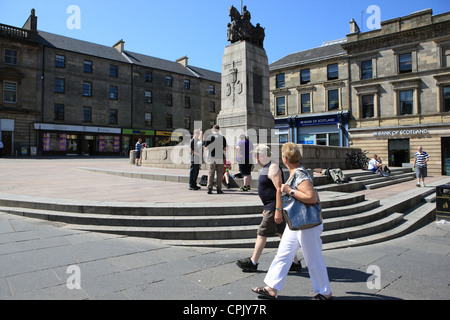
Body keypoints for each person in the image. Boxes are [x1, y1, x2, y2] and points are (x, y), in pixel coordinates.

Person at [252, 142, 332, 300]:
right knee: (283, 253)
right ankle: (272, 288)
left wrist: (290, 190)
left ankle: (325, 292)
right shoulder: (295, 172)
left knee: (313, 258)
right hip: (296, 222)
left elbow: (312, 198)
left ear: (285, 159)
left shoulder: (299, 174)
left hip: (306, 224)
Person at [236, 144, 301, 273]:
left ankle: (253, 262)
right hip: (271, 206)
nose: (255, 157)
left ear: (262, 155)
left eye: (256, 155)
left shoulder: (273, 167)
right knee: (283, 235)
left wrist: (277, 210)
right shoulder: (268, 167)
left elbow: (278, 189)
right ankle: (295, 262)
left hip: (274, 207)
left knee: (262, 233)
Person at [203, 125, 228, 194]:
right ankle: (219, 189)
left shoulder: (209, 137)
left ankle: (209, 188)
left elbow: (205, 147)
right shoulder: (222, 137)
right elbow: (226, 148)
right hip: (220, 157)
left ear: (213, 130)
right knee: (220, 173)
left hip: (211, 157)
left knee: (211, 172)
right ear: (218, 130)